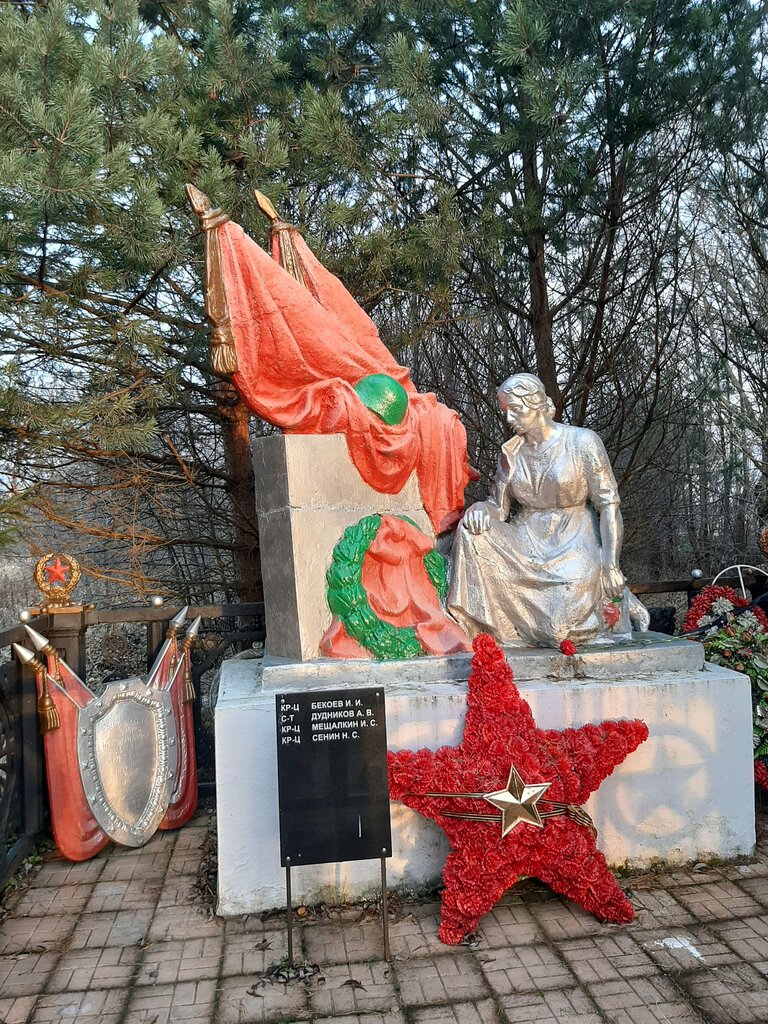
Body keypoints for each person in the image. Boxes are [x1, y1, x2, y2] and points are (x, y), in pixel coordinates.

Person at [447, 373, 649, 647]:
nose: (509, 420)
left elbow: (608, 506)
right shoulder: (511, 453)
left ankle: (612, 596)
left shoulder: (582, 442)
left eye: (515, 410)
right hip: (526, 537)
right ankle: (489, 632)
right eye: (506, 412)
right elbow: (498, 507)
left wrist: (611, 565)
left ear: (537, 404)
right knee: (472, 533)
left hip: (574, 536)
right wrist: (481, 508)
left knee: (558, 627)